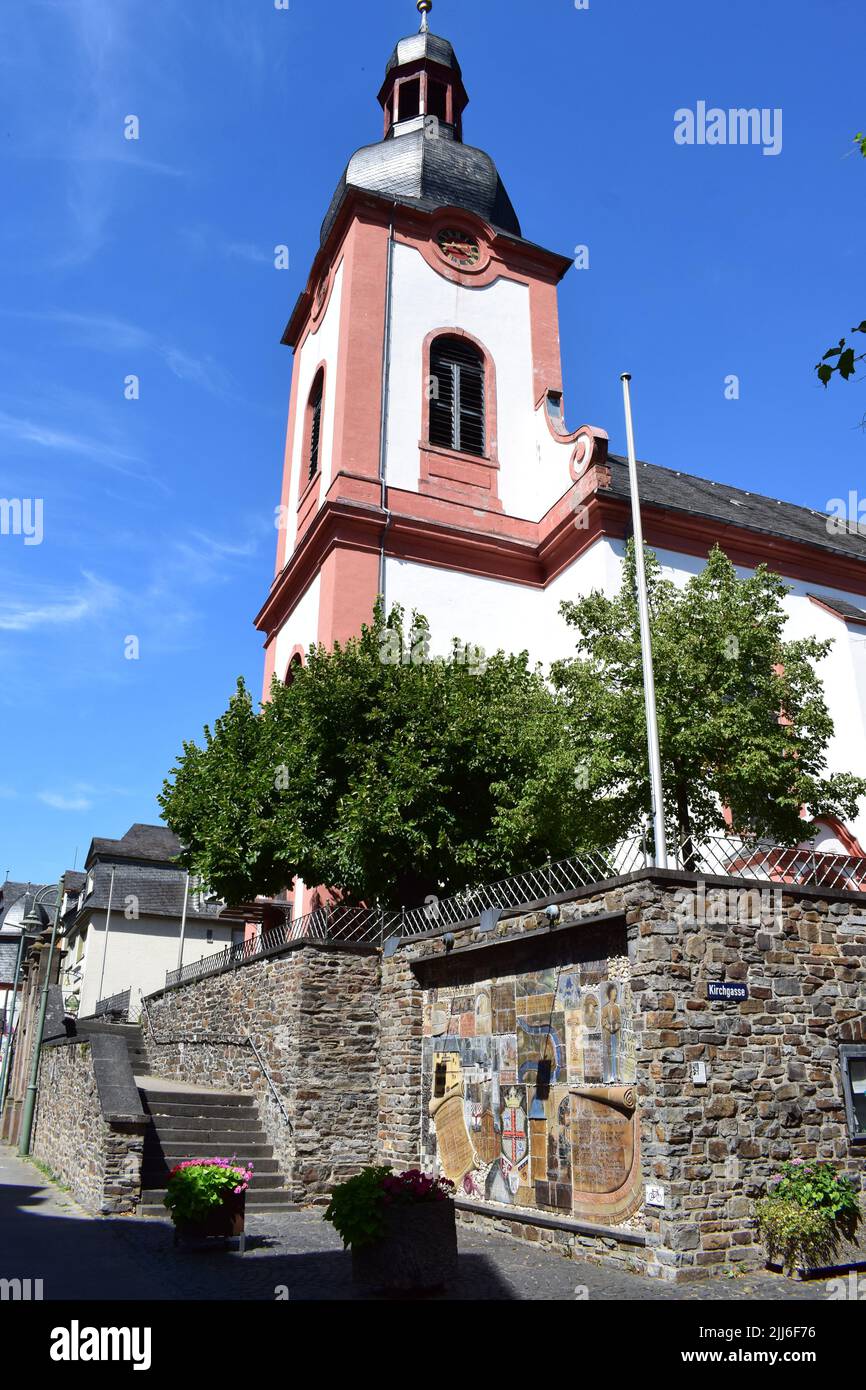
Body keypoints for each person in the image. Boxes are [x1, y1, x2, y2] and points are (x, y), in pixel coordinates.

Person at [600, 983, 622, 1083]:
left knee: (616, 1053)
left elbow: (619, 1021)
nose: (615, 995)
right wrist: (609, 1027)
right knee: (608, 1053)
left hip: (616, 1033)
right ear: (609, 994)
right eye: (613, 993)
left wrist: (616, 1027)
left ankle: (617, 1074)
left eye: (616, 993)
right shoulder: (605, 1008)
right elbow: (603, 1020)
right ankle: (609, 1075)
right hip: (608, 1033)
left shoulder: (617, 1007)